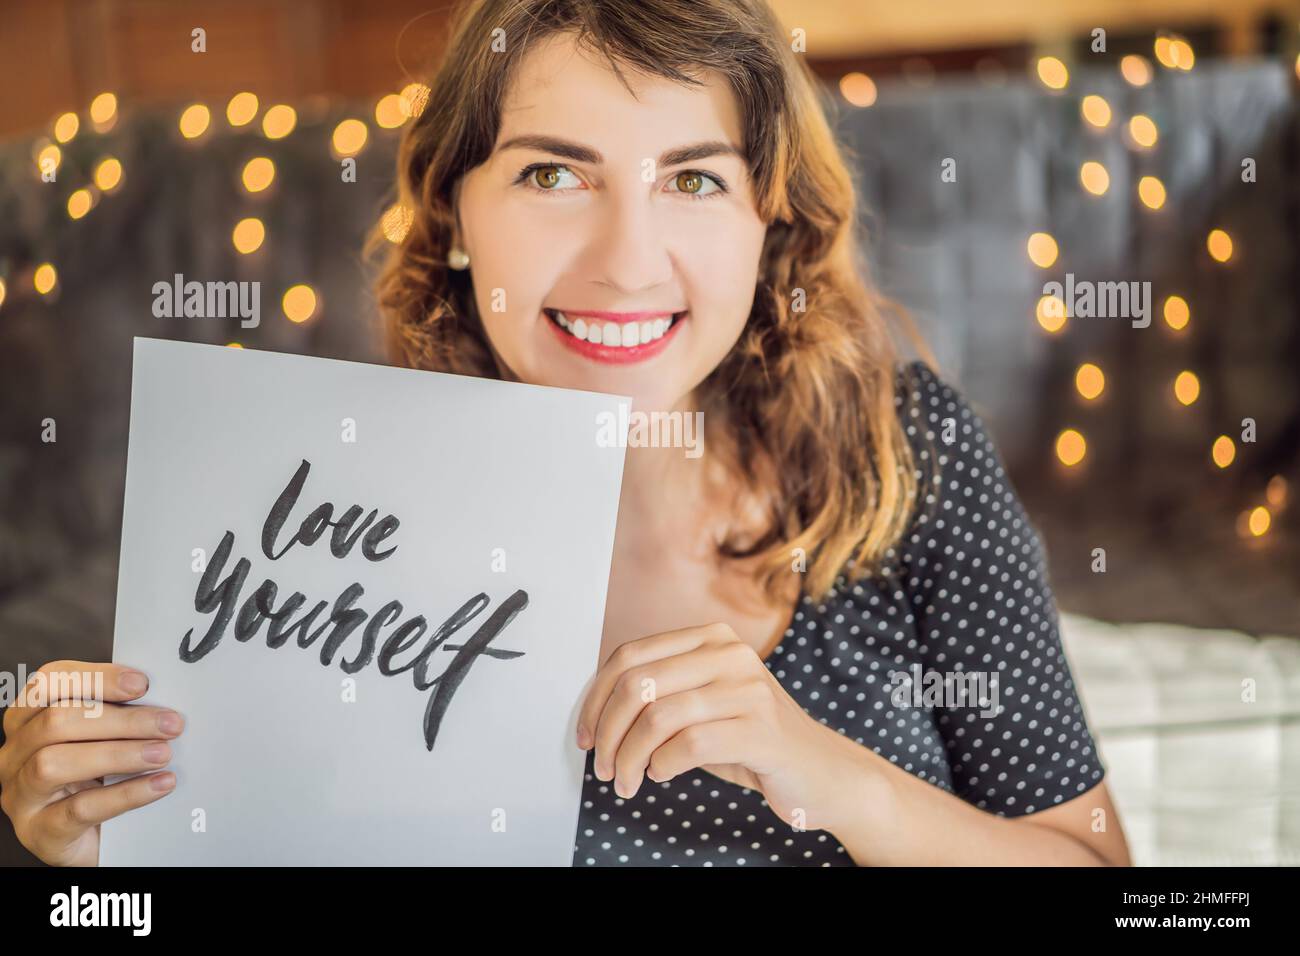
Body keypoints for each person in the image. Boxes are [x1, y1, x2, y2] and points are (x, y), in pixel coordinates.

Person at [0, 0, 1130, 866]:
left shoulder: (902, 453)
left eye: (691, 178)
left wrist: (830, 775)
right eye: (552, 173)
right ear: (452, 216)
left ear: (766, 219)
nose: (626, 260)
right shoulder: (320, 520)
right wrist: (101, 866)